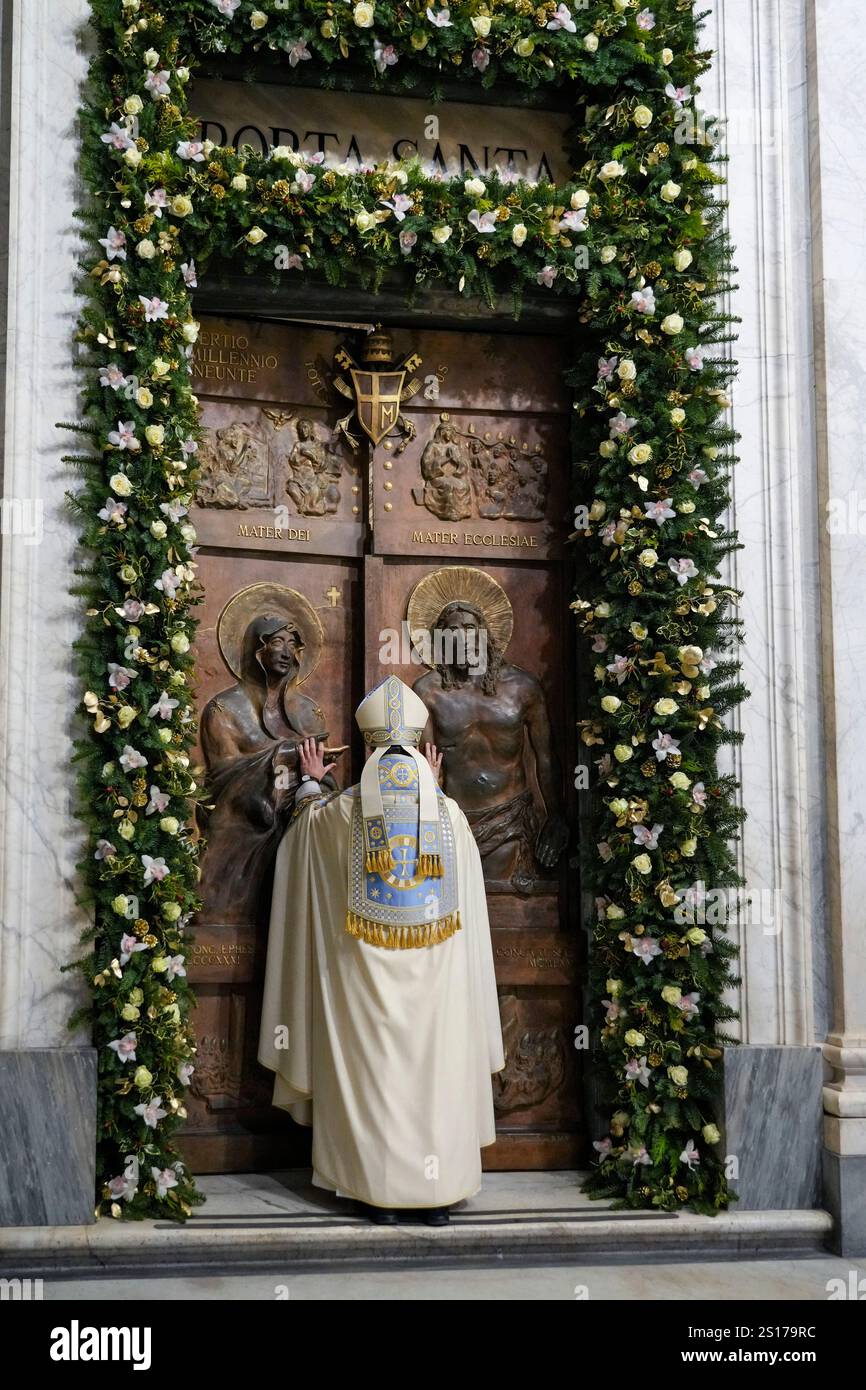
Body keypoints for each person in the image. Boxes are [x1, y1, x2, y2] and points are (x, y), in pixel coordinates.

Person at [258, 676, 505, 1225]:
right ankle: (436, 1197)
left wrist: (310, 786)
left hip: (359, 983)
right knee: (433, 1073)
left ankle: (377, 1192)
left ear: (369, 748)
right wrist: (435, 794)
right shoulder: (450, 819)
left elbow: (301, 842)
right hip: (439, 990)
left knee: (375, 1072)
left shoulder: (339, 818)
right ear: (420, 750)